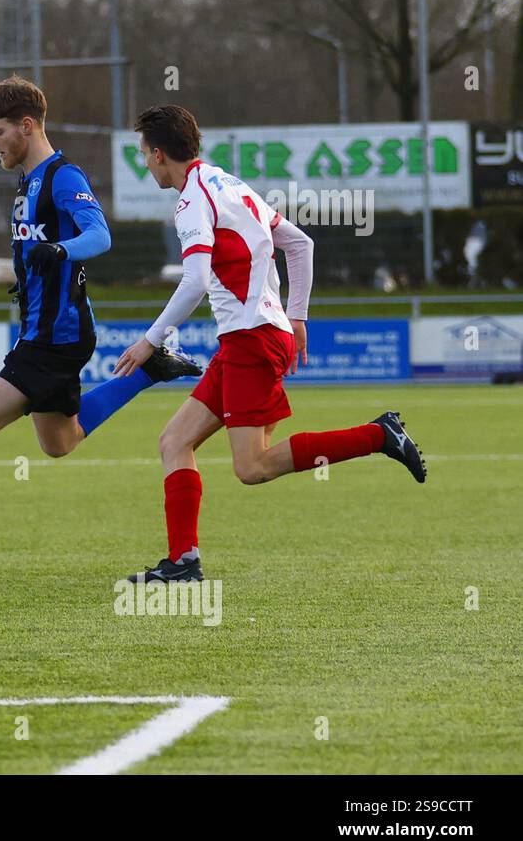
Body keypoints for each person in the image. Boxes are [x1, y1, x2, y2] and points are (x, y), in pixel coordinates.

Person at [0, 77, 201, 574]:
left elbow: (99, 235)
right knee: (59, 442)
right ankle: (148, 374)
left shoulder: (63, 176)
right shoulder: (27, 180)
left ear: (27, 125)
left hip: (54, 337)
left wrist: (61, 249)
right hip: (52, 334)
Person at [114, 105, 427, 584]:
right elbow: (300, 244)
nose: (145, 164)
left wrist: (149, 342)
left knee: (253, 467)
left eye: (144, 155)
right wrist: (296, 316)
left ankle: (379, 435)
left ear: (159, 155)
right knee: (174, 441)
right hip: (254, 334)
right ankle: (183, 561)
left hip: (250, 338)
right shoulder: (231, 185)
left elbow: (195, 280)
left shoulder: (192, 201)